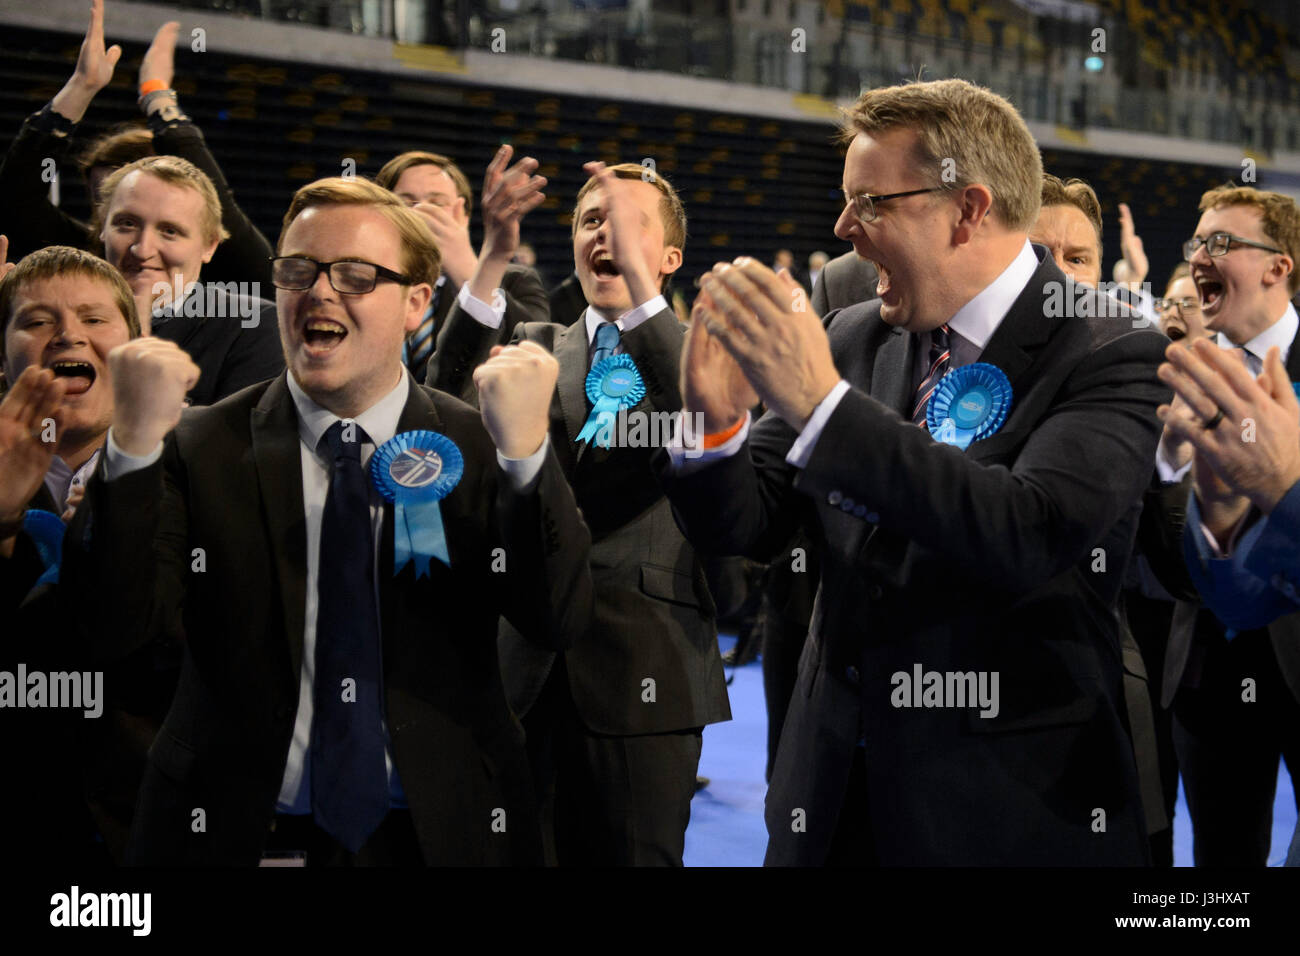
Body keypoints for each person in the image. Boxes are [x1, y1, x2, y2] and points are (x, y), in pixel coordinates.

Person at [660, 78, 1166, 865]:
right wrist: (711, 425)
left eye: (872, 204)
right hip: (826, 802)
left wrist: (823, 406)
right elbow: (744, 523)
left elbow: (1024, 532)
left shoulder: (1112, 347)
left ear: (967, 208)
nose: (844, 228)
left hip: (1001, 811)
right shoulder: (853, 332)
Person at [60, 176, 595, 865]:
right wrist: (128, 450)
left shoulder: (484, 443)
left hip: (443, 836)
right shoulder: (195, 443)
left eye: (354, 275)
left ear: (415, 303)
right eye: (298, 270)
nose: (319, 291)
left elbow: (558, 618)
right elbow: (112, 633)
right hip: (234, 835)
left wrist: (528, 461)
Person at [431, 159, 730, 865]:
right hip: (520, 675)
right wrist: (492, 258)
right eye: (591, 220)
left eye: (627, 223)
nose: (606, 234)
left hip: (646, 676)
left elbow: (699, 418)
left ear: (670, 256)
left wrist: (645, 301)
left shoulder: (704, 356)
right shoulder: (531, 344)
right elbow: (436, 409)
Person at [1151, 183, 1300, 866]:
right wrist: (1177, 473)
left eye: (1221, 243)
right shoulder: (1177, 376)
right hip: (1208, 668)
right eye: (1196, 243)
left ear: (1278, 265)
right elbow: (1155, 550)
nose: (1200, 257)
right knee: (1221, 866)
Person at [0, 5, 272, 288]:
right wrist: (80, 88)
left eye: (166, 226)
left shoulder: (226, 277)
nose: (141, 248)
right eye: (119, 216)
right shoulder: (86, 254)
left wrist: (157, 97)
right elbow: (15, 200)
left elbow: (218, 207)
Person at [95, 154, 284, 405]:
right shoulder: (65, 320)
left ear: (209, 246)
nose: (142, 250)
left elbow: (236, 442)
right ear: (103, 230)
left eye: (170, 231)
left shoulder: (253, 326)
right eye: (127, 224)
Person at [374, 149, 548, 385]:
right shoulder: (361, 281)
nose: (423, 213)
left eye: (437, 203)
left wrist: (468, 272)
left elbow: (538, 356)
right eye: (408, 203)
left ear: (463, 216)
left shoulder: (517, 281)